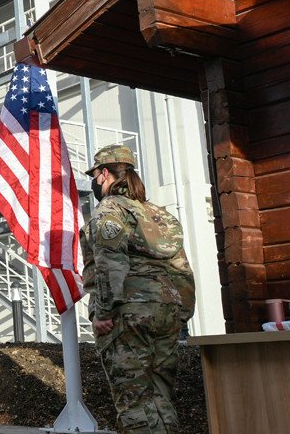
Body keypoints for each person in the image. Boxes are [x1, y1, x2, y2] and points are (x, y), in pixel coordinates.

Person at [81, 144, 196, 434]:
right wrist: (182, 313)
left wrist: (104, 311)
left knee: (133, 400)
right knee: (160, 395)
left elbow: (109, 263)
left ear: (104, 174)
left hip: (128, 313)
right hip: (167, 309)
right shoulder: (158, 214)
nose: (94, 182)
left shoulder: (108, 210)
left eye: (95, 176)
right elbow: (181, 267)